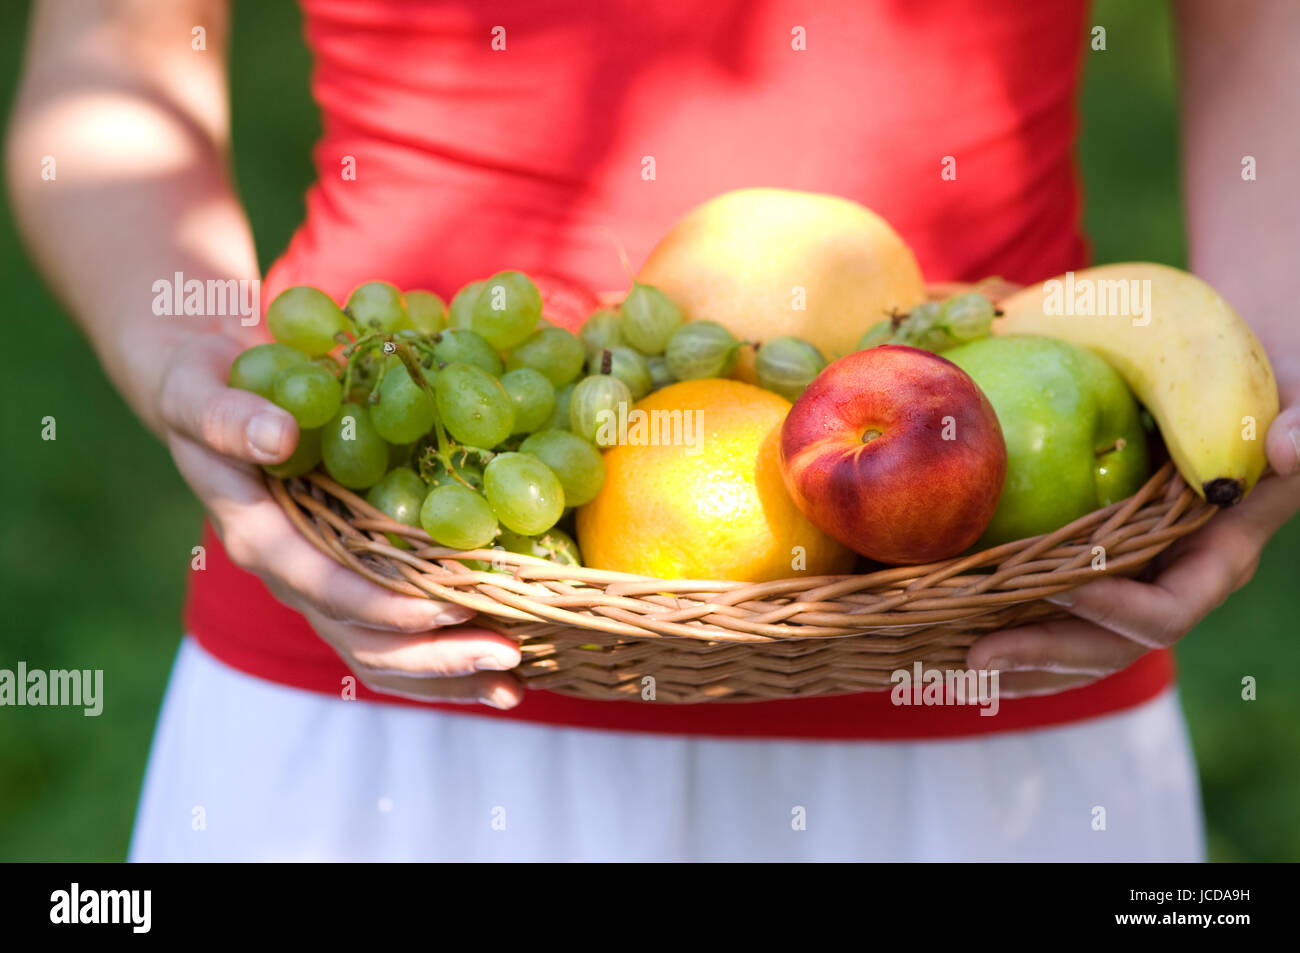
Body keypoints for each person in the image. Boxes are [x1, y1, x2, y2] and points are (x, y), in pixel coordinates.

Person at [8, 0, 1298, 862]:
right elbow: (111, 59)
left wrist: (1264, 387)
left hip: (1006, 632)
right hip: (385, 625)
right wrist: (187, 352)